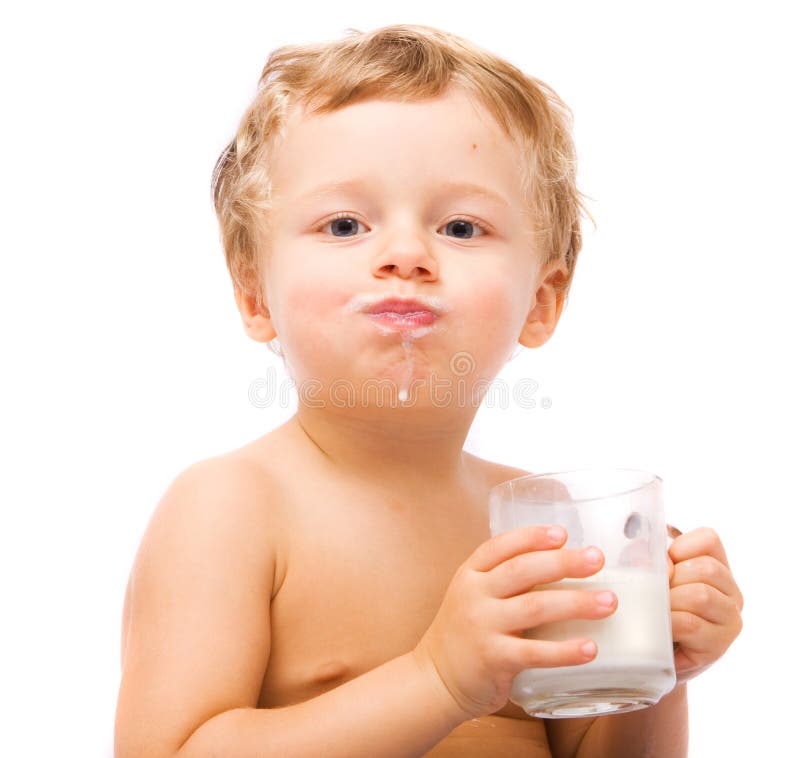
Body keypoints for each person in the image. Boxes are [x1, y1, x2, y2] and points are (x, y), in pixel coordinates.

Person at [114, 23, 743, 757]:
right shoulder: (232, 508)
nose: (406, 255)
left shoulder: (541, 523)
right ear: (255, 293)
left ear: (541, 301)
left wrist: (657, 668)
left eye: (461, 227)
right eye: (345, 223)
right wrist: (438, 680)